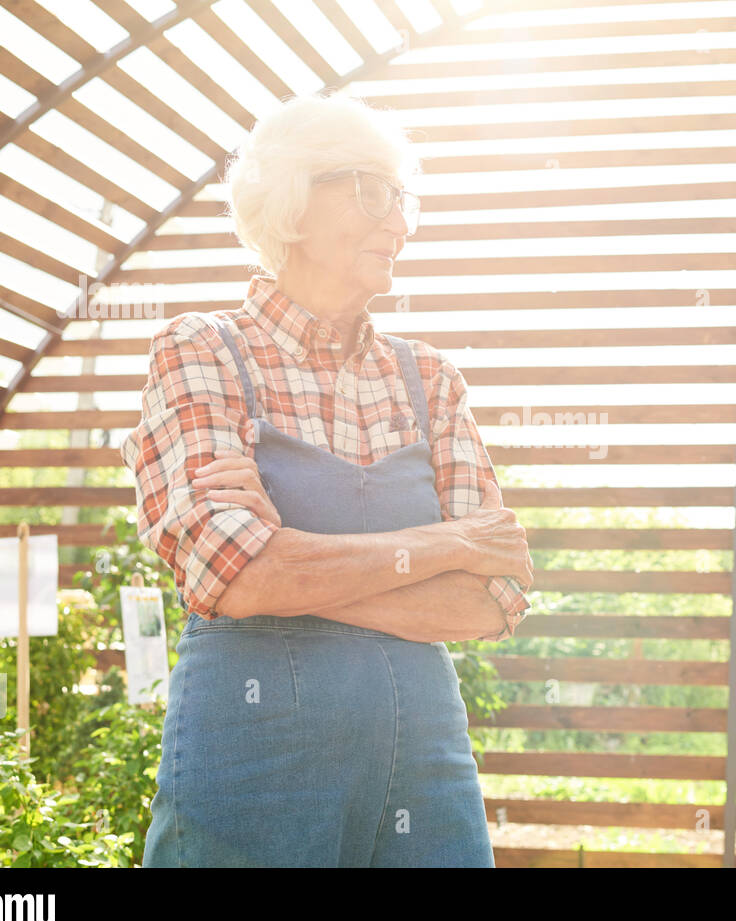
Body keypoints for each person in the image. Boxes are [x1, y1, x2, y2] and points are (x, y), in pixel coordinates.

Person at [120, 91, 534, 867]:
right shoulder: (200, 352)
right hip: (254, 777)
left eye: (404, 199)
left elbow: (492, 599)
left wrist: (286, 559)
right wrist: (448, 542)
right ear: (295, 200)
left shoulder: (431, 380)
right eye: (374, 193)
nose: (402, 223)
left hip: (426, 779)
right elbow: (230, 572)